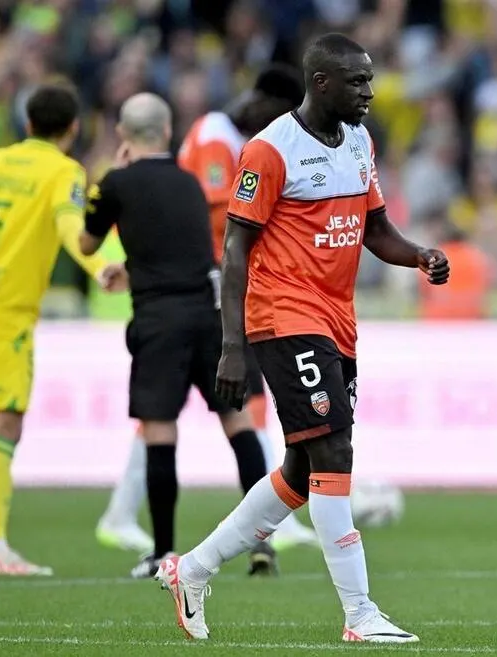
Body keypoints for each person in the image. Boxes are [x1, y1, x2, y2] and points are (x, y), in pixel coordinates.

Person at [153, 34, 450, 643]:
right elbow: (235, 250)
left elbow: (375, 229)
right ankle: (360, 614)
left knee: (299, 466)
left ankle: (195, 568)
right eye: (359, 82)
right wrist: (232, 345)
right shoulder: (269, 151)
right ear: (321, 84)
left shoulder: (359, 142)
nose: (370, 92)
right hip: (283, 315)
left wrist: (417, 255)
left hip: (336, 319)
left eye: (370, 80)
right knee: (335, 450)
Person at [95, 64, 319, 554]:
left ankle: (127, 514)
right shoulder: (217, 137)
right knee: (224, 408)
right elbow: (220, 221)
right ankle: (266, 521)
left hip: (194, 285)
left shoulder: (228, 137)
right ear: (263, 104)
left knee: (171, 413)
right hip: (208, 290)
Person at [81, 92, 276, 579]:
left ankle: (165, 551)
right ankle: (262, 544)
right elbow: (180, 247)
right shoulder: (191, 183)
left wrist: (113, 180)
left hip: (159, 321)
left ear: (123, 135)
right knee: (238, 425)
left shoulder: (115, 183)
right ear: (168, 132)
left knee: (160, 431)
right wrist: (134, 268)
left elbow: (86, 241)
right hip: (208, 315)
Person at [0, 84, 114, 577]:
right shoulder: (63, 171)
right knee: (4, 423)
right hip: (2, 314)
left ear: (27, 123)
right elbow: (69, 227)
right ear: (73, 129)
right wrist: (100, 265)